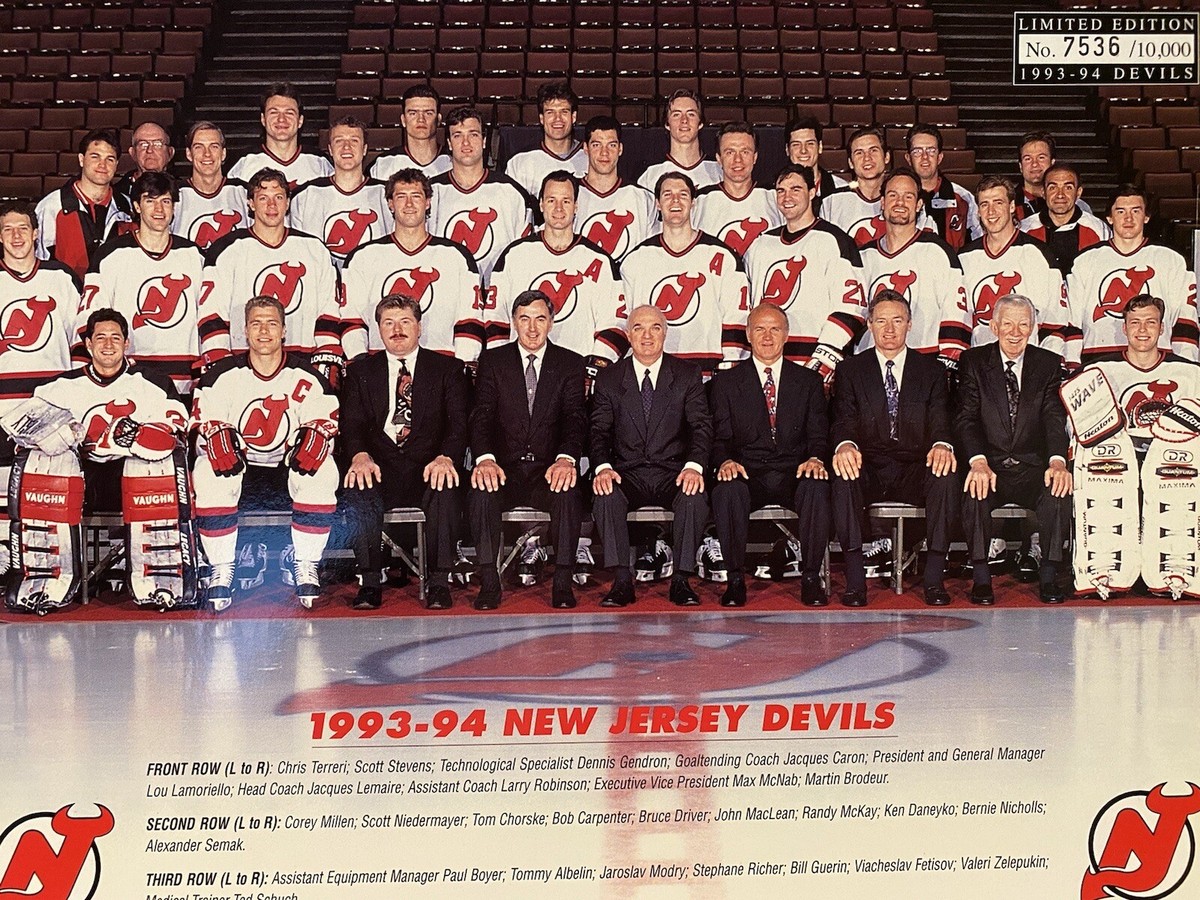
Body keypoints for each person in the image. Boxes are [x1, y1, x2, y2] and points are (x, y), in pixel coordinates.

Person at [4, 309, 190, 611]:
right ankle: (45, 577)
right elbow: (21, 433)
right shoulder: (58, 388)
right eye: (100, 337)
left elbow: (175, 430)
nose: (108, 344)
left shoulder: (154, 384)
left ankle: (159, 577)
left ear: (126, 343)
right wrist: (49, 437)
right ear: (88, 345)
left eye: (115, 337)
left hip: (131, 479)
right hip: (80, 481)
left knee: (154, 463)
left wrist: (142, 437)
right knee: (45, 461)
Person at [192, 297, 339, 611]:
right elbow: (204, 422)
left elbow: (325, 421)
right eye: (256, 323)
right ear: (245, 330)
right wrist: (215, 436)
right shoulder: (221, 375)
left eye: (272, 323)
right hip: (242, 471)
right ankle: (221, 567)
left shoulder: (307, 376)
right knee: (208, 469)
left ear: (284, 330)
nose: (264, 331)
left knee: (322, 467)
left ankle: (306, 563)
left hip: (286, 471)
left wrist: (315, 436)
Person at [341, 294, 469, 611]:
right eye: (389, 323)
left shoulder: (447, 369)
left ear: (419, 327)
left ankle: (438, 582)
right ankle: (370, 582)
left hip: (428, 467)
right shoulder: (360, 372)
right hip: (381, 467)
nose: (397, 330)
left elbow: (459, 425)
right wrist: (359, 455)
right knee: (359, 483)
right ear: (379, 329)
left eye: (405, 322)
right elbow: (352, 425)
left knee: (446, 483)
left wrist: (446, 457)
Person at [831, 290, 959, 607]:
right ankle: (855, 579)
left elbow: (941, 419)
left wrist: (942, 445)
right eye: (881, 321)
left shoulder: (931, 371)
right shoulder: (850, 370)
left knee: (946, 474)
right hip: (869, 466)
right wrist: (845, 445)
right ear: (870, 325)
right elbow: (843, 419)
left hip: (913, 467)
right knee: (843, 474)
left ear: (909, 324)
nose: (889, 330)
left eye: (897, 321)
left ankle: (934, 577)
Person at [469, 290, 586, 610]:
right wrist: (485, 460)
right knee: (481, 492)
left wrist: (566, 459)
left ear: (551, 322)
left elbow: (575, 418)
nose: (532, 328)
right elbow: (481, 417)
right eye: (524, 319)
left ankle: (562, 582)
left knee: (568, 491)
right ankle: (489, 582)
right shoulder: (493, 361)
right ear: (514, 322)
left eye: (540, 319)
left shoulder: (570, 363)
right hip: (504, 470)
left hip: (548, 470)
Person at [590, 305, 712, 607]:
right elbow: (598, 431)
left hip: (673, 471)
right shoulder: (609, 378)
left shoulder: (686, 374)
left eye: (655, 328)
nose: (647, 335)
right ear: (629, 335)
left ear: (665, 333)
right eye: (639, 328)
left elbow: (701, 426)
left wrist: (694, 466)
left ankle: (681, 580)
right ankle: (621, 580)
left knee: (694, 495)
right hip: (627, 472)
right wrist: (603, 467)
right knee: (605, 493)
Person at [709, 304, 831, 607]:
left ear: (786, 335)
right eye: (760, 329)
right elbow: (719, 438)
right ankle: (735, 580)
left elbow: (818, 434)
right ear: (748, 335)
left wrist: (816, 458)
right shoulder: (725, 383)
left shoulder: (808, 382)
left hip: (793, 471)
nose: (767, 336)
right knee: (727, 489)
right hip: (748, 472)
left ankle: (811, 578)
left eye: (775, 329)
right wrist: (725, 461)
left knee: (817, 486)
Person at [955, 294, 1072, 605]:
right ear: (994, 327)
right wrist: (978, 462)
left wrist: (1057, 461)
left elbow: (1053, 417)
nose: (1015, 332)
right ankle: (981, 578)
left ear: (1032, 328)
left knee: (1058, 487)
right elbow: (966, 418)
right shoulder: (973, 362)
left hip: (1031, 467)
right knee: (974, 488)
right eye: (1007, 324)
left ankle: (1049, 575)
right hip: (990, 466)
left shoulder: (1047, 364)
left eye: (1023, 324)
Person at [0, 201, 82, 574]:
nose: (16, 236)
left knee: (50, 479)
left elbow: (77, 337)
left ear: (36, 234)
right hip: (3, 402)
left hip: (51, 401)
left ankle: (52, 561)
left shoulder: (59, 277)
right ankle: (7, 553)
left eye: (23, 228)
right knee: (4, 481)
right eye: (8, 230)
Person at [199, 168, 343, 380]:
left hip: (303, 365)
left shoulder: (314, 249)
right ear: (250, 203)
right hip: (243, 367)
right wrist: (222, 363)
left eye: (278, 197)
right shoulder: (227, 249)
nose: (272, 205)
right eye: (263, 198)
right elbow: (212, 312)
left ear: (288, 202)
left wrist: (325, 354)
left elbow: (328, 310)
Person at [341, 169, 487, 363]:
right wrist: (362, 364)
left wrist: (460, 366)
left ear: (428, 202)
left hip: (442, 367)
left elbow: (469, 320)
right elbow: (352, 319)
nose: (409, 204)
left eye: (416, 196)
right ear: (390, 204)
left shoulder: (456, 256)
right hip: (380, 366)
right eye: (401, 197)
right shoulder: (363, 257)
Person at [80, 172, 204, 396]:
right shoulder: (111, 255)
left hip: (185, 377)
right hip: (128, 377)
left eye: (166, 201)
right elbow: (92, 318)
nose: (159, 209)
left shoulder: (193, 255)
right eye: (150, 201)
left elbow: (207, 314)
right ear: (137, 206)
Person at [743, 163, 866, 380]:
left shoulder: (834, 241)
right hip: (766, 363)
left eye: (795, 189)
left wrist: (823, 360)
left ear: (812, 191)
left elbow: (852, 308)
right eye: (781, 191)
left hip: (811, 362)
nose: (787, 197)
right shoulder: (760, 244)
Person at [621, 172, 750, 379]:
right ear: (657, 204)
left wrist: (729, 365)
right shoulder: (636, 259)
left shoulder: (721, 255)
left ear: (693, 203)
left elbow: (736, 316)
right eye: (667, 195)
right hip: (652, 374)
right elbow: (624, 319)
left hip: (707, 374)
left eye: (683, 195)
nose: (675, 201)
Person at [488, 171, 626, 363]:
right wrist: (502, 362)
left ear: (576, 206)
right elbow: (495, 315)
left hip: (578, 371)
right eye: (551, 200)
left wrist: (596, 365)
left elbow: (615, 322)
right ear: (541, 204)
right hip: (521, 368)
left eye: (566, 201)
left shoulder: (599, 260)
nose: (559, 208)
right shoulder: (514, 255)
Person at [1065, 185, 1198, 368]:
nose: (1128, 218)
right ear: (1109, 218)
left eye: (1136, 211)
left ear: (1146, 217)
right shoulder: (1085, 260)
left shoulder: (1171, 259)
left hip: (1155, 363)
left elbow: (1185, 318)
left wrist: (1186, 366)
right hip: (1097, 361)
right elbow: (1072, 319)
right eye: (1121, 211)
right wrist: (1072, 363)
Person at [859, 168, 970, 367]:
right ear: (882, 202)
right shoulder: (863, 256)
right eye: (893, 195)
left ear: (919, 205)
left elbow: (956, 312)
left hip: (924, 364)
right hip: (871, 365)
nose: (900, 202)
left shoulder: (938, 252)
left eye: (908, 196)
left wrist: (948, 362)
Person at [959, 175, 1067, 356]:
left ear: (1011, 207)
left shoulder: (1038, 254)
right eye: (984, 204)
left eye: (998, 203)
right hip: (980, 363)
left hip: (1028, 362)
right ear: (978, 211)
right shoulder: (964, 258)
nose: (991, 211)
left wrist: (1048, 363)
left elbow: (1055, 320)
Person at [429, 106, 534, 280]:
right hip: (447, 287)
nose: (466, 143)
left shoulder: (511, 192)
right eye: (458, 135)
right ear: (449, 143)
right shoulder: (431, 192)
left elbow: (523, 253)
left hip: (499, 289)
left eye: (473, 134)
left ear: (484, 141)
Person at [1087, 295, 1200, 454]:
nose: (1142, 329)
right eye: (1135, 322)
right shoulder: (1097, 372)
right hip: (1114, 460)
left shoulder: (1192, 373)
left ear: (1161, 328)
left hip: (1177, 460)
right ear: (1124, 328)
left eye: (1150, 322)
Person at [288, 116, 392, 268]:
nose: (346, 147)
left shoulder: (385, 194)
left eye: (354, 141)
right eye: (339, 141)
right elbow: (297, 250)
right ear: (330, 149)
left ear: (364, 149)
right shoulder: (306, 195)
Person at [35, 128, 134, 278]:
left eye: (110, 159)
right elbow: (40, 262)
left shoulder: (128, 208)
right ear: (81, 159)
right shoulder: (52, 206)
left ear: (116, 164)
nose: (102, 165)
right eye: (95, 157)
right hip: (67, 291)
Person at [574, 116, 659, 262]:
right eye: (596, 145)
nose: (604, 152)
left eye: (612, 145)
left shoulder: (643, 198)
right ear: (585, 148)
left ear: (620, 149)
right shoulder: (570, 195)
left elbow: (653, 254)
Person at [693, 122, 783, 258]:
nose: (738, 160)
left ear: (755, 157)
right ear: (719, 158)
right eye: (730, 152)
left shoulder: (776, 197)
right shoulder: (699, 201)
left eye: (745, 152)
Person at [227, 83, 333, 188]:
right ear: (263, 119)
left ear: (300, 121)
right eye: (274, 112)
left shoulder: (320, 162)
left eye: (289, 113)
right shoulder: (243, 162)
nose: (281, 119)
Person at [1018, 163, 1111, 272]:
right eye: (1053, 188)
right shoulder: (1024, 229)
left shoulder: (1099, 229)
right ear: (1043, 192)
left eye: (1068, 188)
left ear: (1078, 193)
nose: (1060, 195)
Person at [173, 122, 249, 251]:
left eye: (214, 147)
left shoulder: (244, 192)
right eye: (199, 147)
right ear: (189, 154)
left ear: (223, 153)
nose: (207, 154)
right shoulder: (174, 195)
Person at [504, 82, 588, 197]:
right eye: (550, 112)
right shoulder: (520, 163)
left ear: (573, 117)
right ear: (541, 118)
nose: (557, 118)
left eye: (564, 112)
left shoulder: (591, 158)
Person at [905, 124, 979, 252]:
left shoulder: (964, 198)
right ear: (908, 158)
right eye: (917, 151)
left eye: (931, 150)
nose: (925, 157)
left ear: (939, 157)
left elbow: (979, 241)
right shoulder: (898, 199)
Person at [637, 89, 722, 192]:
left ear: (700, 123)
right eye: (676, 115)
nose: (684, 120)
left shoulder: (720, 171)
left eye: (691, 114)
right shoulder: (650, 176)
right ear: (667, 124)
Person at [822, 126, 893, 248]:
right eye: (859, 153)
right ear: (850, 163)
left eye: (873, 150)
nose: (867, 158)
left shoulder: (902, 199)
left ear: (886, 157)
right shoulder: (832, 202)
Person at [369, 83, 452, 181]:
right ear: (403, 120)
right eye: (413, 113)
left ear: (438, 120)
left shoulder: (453, 161)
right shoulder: (383, 164)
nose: (421, 119)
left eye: (428, 113)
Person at [783, 115, 847, 216]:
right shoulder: (774, 193)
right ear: (787, 150)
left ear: (820, 147)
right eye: (796, 144)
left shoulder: (841, 189)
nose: (803, 150)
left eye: (810, 144)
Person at [113, 122, 174, 205]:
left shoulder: (183, 193)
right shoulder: (116, 195)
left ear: (170, 152)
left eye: (157, 144)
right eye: (143, 144)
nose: (150, 150)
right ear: (132, 153)